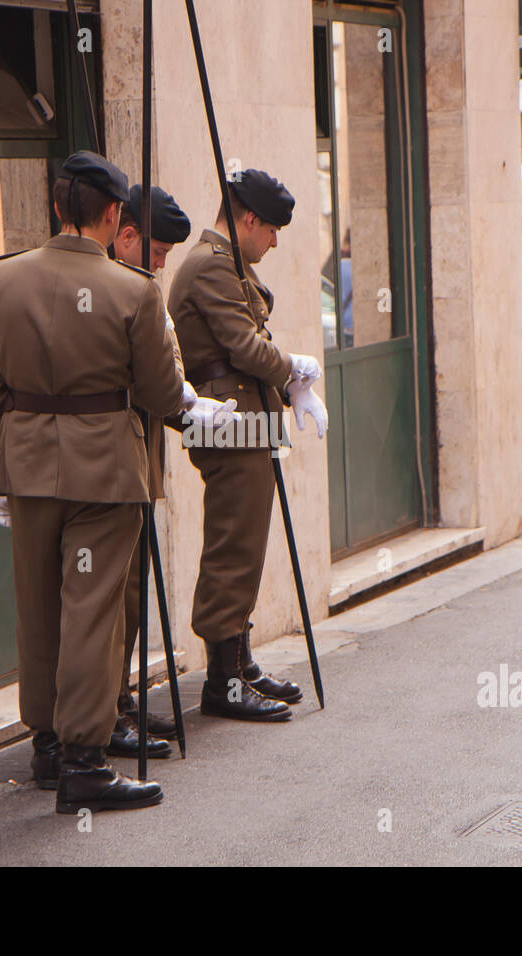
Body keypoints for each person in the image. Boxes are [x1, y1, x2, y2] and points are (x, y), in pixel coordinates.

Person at [0, 150, 192, 813]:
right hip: (105, 473)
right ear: (115, 213)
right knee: (91, 616)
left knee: (39, 612)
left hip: (29, 466)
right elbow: (158, 392)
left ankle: (44, 746)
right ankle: (85, 763)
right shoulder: (134, 290)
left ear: (59, 208)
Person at [167, 167, 328, 723]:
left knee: (247, 546)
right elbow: (245, 347)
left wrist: (288, 383)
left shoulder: (228, 266)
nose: (276, 241)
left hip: (246, 421)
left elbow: (250, 341)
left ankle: (239, 660)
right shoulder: (211, 266)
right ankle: (224, 680)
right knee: (233, 548)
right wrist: (295, 371)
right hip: (227, 423)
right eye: (273, 229)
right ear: (250, 220)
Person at [105, 183, 236, 758]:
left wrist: (189, 406)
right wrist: (181, 401)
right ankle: (100, 713)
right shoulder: (112, 291)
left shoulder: (142, 289)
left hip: (140, 463)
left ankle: (116, 699)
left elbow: (169, 363)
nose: (162, 263)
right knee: (106, 600)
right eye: (156, 251)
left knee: (131, 593)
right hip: (108, 465)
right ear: (125, 234)